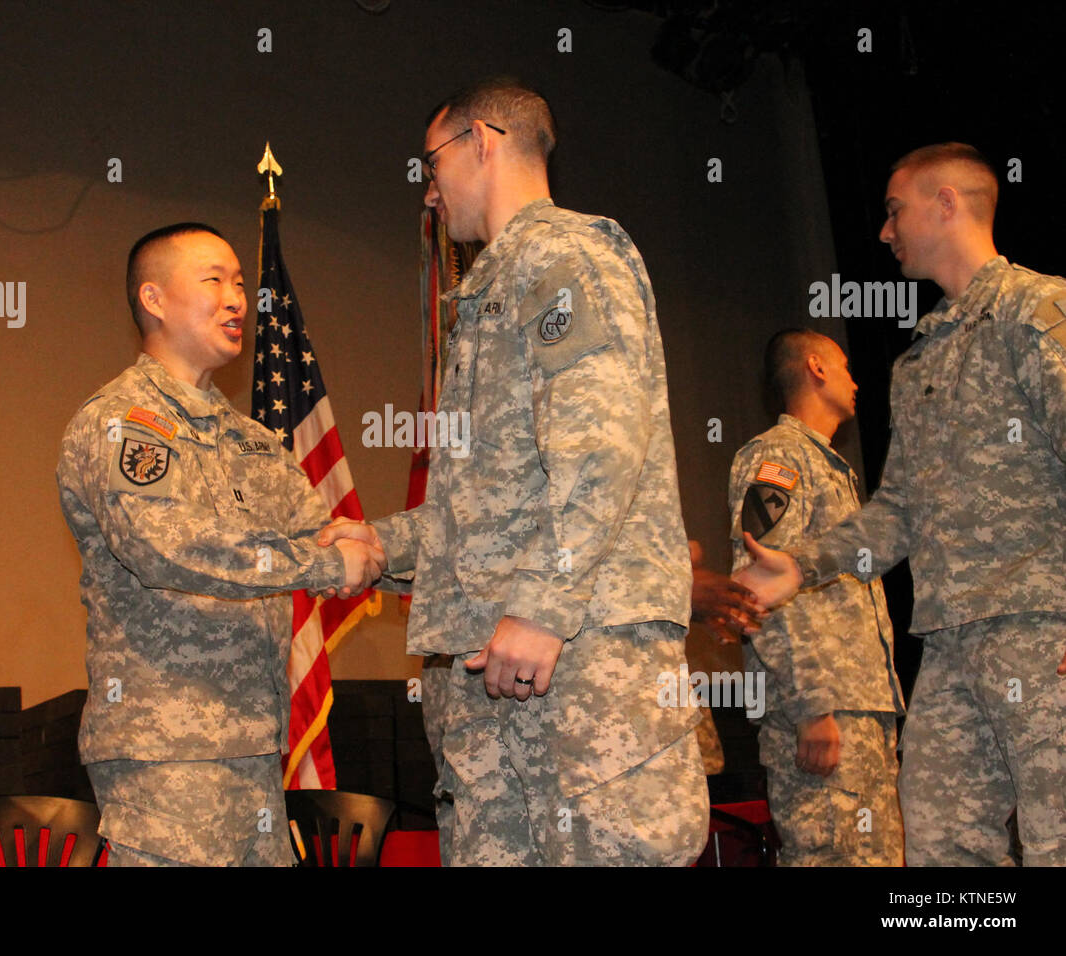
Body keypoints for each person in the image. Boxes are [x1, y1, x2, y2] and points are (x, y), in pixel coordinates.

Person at [322, 77, 709, 865]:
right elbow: (479, 512)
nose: (428, 194)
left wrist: (541, 605)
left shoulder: (566, 256)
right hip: (494, 678)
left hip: (579, 661)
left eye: (431, 166)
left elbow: (602, 442)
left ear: (483, 141)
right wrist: (376, 548)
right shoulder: (486, 295)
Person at [736, 143, 1066, 866]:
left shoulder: (1035, 308)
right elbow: (898, 514)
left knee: (1056, 837)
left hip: (1042, 629)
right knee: (941, 849)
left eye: (894, 211)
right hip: (949, 645)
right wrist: (801, 568)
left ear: (945, 203)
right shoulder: (917, 361)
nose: (884, 232)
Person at [56, 223, 382, 866]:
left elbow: (331, 535)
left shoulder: (251, 440)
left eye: (240, 283)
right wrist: (324, 560)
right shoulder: (123, 421)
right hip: (165, 755)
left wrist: (388, 553)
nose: (239, 299)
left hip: (255, 750)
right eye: (214, 280)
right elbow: (168, 548)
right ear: (153, 299)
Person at [729, 329, 905, 865]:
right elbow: (762, 587)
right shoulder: (778, 458)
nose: (856, 381)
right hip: (823, 710)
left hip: (861, 708)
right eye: (846, 367)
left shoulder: (831, 467)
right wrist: (810, 707)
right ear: (817, 367)